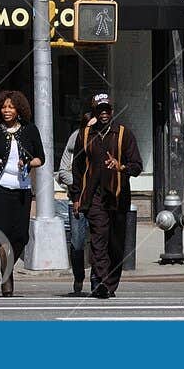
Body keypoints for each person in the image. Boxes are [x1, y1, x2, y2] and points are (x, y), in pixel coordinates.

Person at [72, 93, 142, 299]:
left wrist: (121, 166)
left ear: (112, 112)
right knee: (98, 238)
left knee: (115, 242)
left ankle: (110, 283)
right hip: (94, 197)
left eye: (107, 110)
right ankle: (99, 281)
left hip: (118, 196)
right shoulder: (84, 135)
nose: (104, 113)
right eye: (99, 110)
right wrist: (76, 197)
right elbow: (77, 168)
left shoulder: (123, 134)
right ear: (93, 112)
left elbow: (137, 166)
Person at [0, 89, 44, 297]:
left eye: (11, 107)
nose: (6, 110)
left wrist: (28, 162)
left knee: (21, 236)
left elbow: (41, 158)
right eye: (4, 107)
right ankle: (7, 280)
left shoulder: (30, 130)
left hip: (21, 190)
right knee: (1, 235)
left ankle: (7, 269)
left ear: (19, 109)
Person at [56, 98, 98, 296]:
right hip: (77, 199)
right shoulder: (75, 139)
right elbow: (62, 171)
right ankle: (79, 276)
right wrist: (80, 184)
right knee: (78, 241)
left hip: (99, 200)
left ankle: (97, 279)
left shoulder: (104, 140)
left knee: (99, 241)